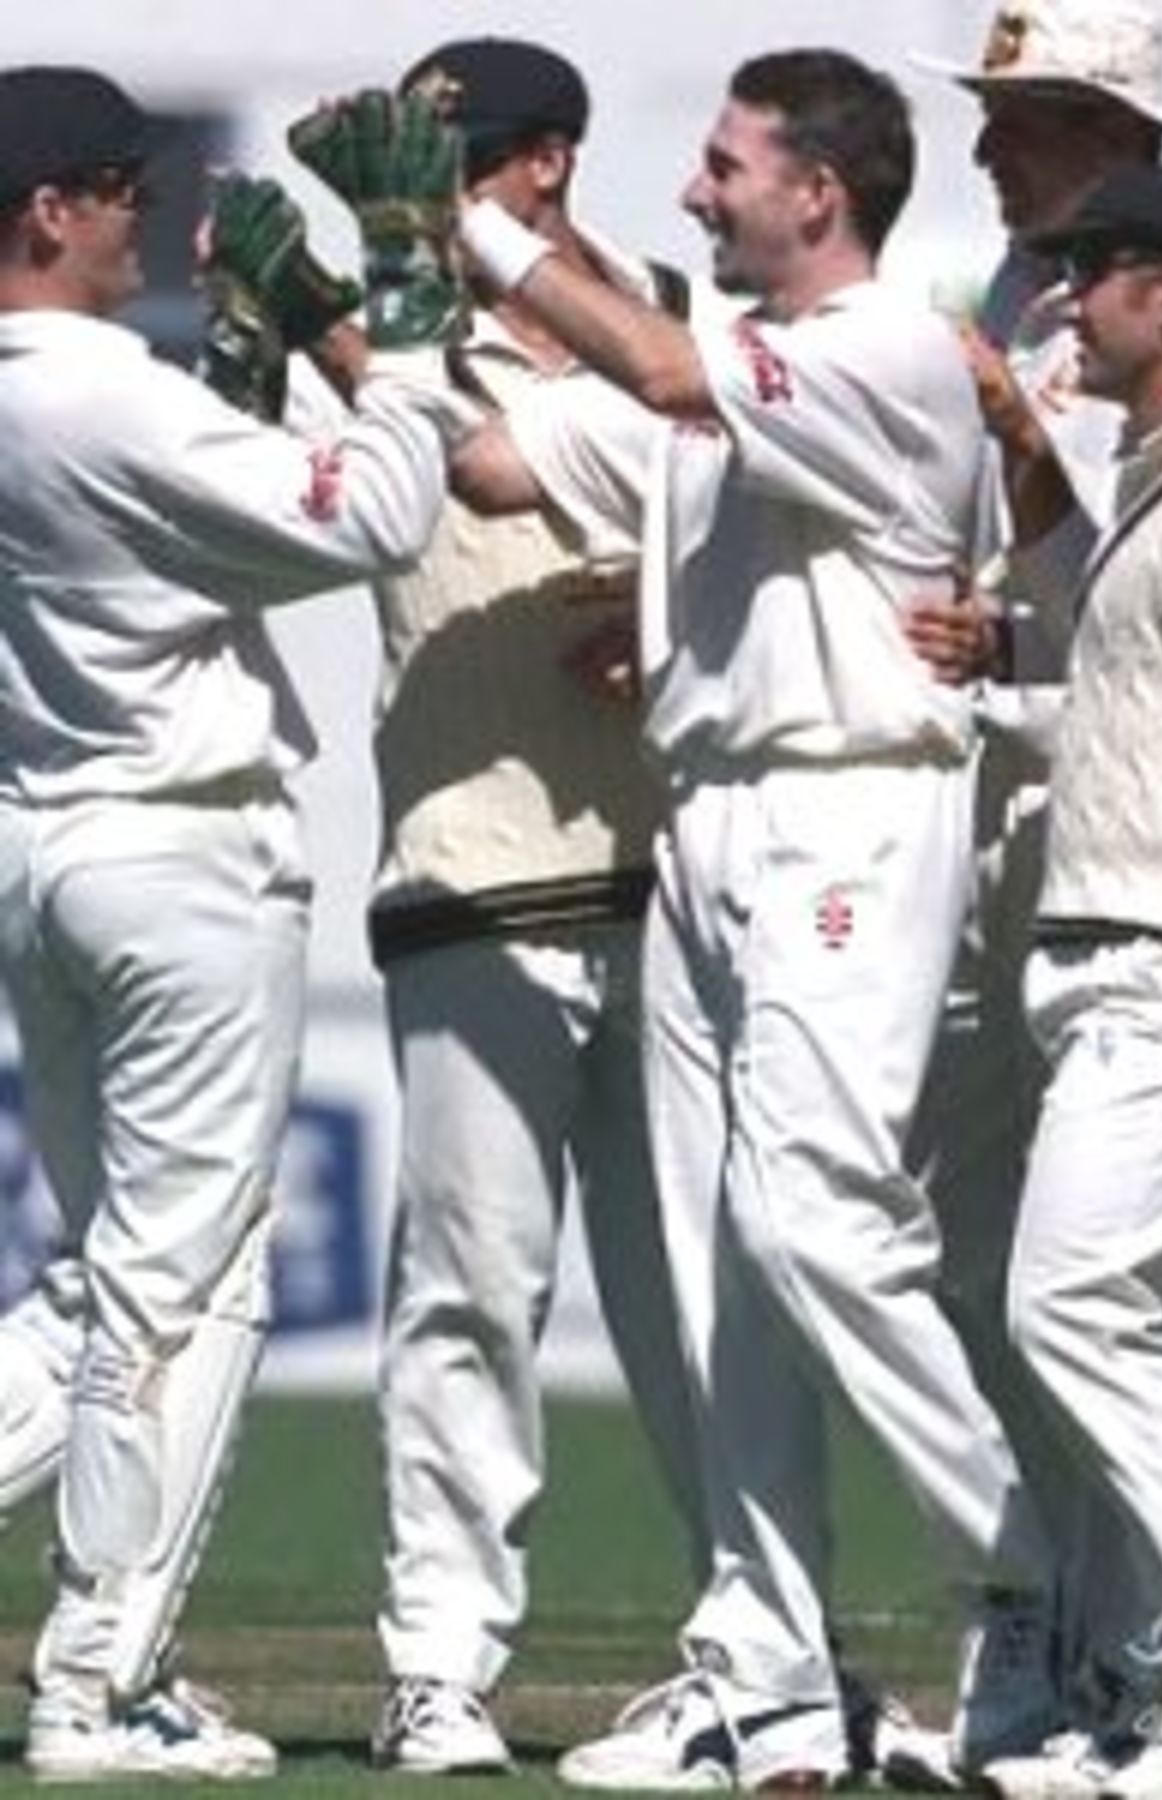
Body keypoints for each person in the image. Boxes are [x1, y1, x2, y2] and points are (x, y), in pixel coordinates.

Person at [414, 46, 1063, 1788]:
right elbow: (491, 466)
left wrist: (474, 226)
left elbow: (659, 366)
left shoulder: (890, 356)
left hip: (855, 806)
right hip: (708, 825)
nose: (694, 194)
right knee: (724, 1284)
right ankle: (766, 1690)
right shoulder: (719, 393)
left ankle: (1043, 1589)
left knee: (822, 1228)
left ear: (816, 193)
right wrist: (337, 314)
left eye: (721, 166)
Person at [0, 62, 447, 1781]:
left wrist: (248, 367)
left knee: (108, 1287)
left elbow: (191, 540)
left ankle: (110, 1667)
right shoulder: (96, 392)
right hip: (177, 863)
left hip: (49, 855)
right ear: (49, 209)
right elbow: (379, 514)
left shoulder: (73, 402)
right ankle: (97, 1687)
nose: (140, 211)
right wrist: (403, 280)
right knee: (183, 1297)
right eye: (115, 183)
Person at [313, 37, 710, 1775]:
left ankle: (754, 1656)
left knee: (708, 1295)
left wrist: (660, 606)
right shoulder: (377, 332)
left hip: (684, 875)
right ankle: (441, 1668)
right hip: (470, 865)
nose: (422, 181)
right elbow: (426, 478)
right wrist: (319, 321)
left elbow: (745, 520)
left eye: (451, 153)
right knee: (471, 1291)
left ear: (542, 164)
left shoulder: (680, 310)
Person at [900, 3, 1162, 1778]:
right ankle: (1118, 1682)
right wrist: (1017, 652)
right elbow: (1125, 654)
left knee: (1075, 1302)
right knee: (1071, 1300)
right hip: (1084, 901)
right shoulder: (1147, 452)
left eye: (1100, 263)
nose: (998, 153)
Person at [972, 160, 1162, 1800]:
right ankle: (1142, 1708)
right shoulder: (1159, 486)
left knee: (1068, 1297)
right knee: (1123, 1326)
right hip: (1112, 957)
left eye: (1095, 270)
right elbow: (1138, 725)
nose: (1062, 299)